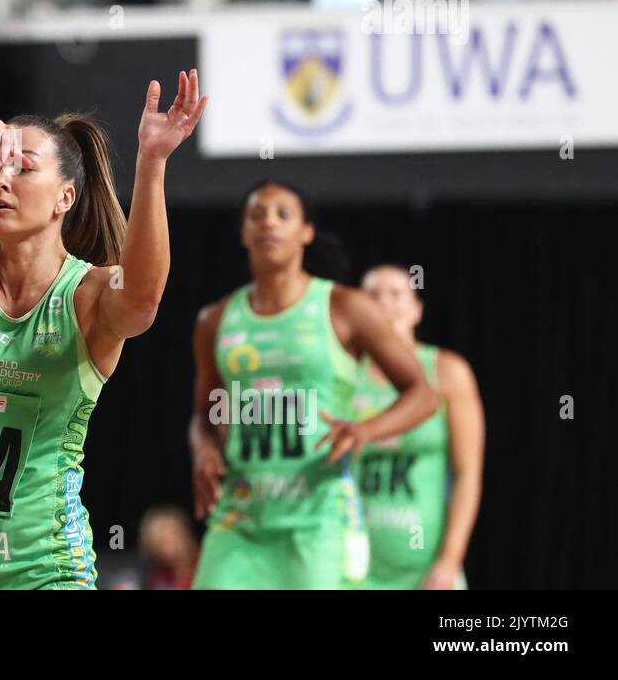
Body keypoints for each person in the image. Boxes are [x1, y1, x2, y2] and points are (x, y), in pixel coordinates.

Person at [0, 72, 208, 588]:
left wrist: (152, 162)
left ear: (65, 198)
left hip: (44, 571)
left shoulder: (85, 296)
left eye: (22, 168)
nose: (0, 179)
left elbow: (143, 301)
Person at [189, 181, 438, 589]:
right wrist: (203, 451)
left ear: (306, 231)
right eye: (256, 214)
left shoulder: (345, 307)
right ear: (243, 232)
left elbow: (423, 393)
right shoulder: (215, 320)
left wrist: (365, 430)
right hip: (240, 519)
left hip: (317, 519)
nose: (269, 221)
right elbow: (203, 414)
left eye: (283, 213)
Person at [355, 264, 484, 589]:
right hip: (352, 567)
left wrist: (449, 561)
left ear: (417, 310)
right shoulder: (344, 375)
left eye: (397, 294)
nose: (385, 303)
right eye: (373, 295)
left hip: (424, 570)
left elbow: (467, 474)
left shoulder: (447, 372)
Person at [139, 505, 198, 589]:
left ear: (185, 534)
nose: (166, 550)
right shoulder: (159, 576)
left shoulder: (205, 563)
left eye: (170, 540)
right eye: (159, 544)